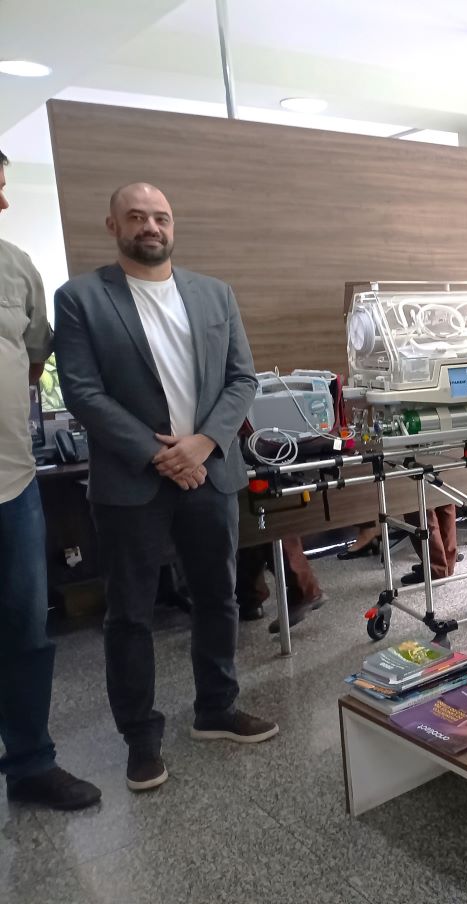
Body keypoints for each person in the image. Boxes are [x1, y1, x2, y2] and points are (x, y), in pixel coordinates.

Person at [54, 182, 278, 793]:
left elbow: (242, 379)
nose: (150, 226)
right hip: (132, 482)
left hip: (210, 471)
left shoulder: (214, 294)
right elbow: (83, 392)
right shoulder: (80, 298)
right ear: (113, 225)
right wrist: (161, 454)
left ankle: (216, 709)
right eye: (136, 217)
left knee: (219, 597)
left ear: (172, 225)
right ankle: (140, 738)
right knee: (129, 613)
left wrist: (203, 445)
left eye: (160, 217)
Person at [0, 149, 101, 811]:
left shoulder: (16, 266)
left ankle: (31, 762)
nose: (5, 203)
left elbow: (34, 357)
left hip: (11, 487)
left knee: (25, 631)